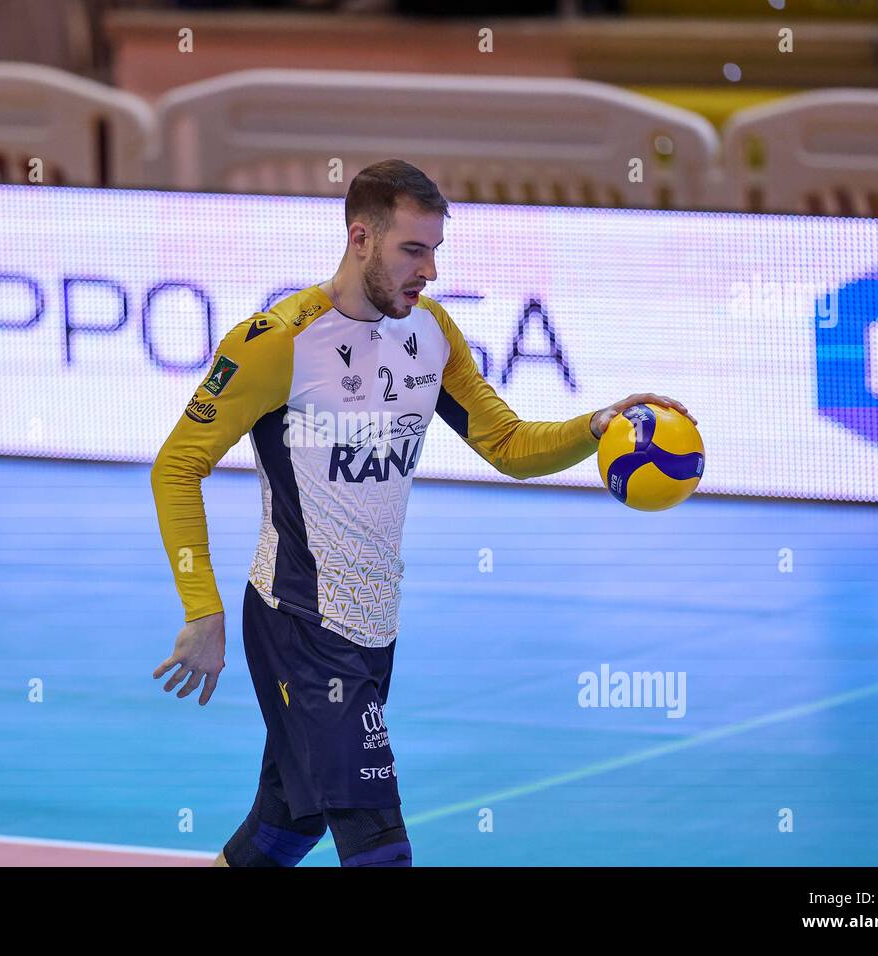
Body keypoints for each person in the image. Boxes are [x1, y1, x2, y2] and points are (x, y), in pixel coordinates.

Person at [149, 158, 695, 867]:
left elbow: (505, 442)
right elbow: (177, 466)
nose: (429, 270)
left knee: (284, 829)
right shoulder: (277, 344)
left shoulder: (429, 334)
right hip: (301, 622)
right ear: (360, 239)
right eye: (413, 249)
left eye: (436, 250)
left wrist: (595, 425)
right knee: (380, 846)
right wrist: (203, 609)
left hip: (376, 625)